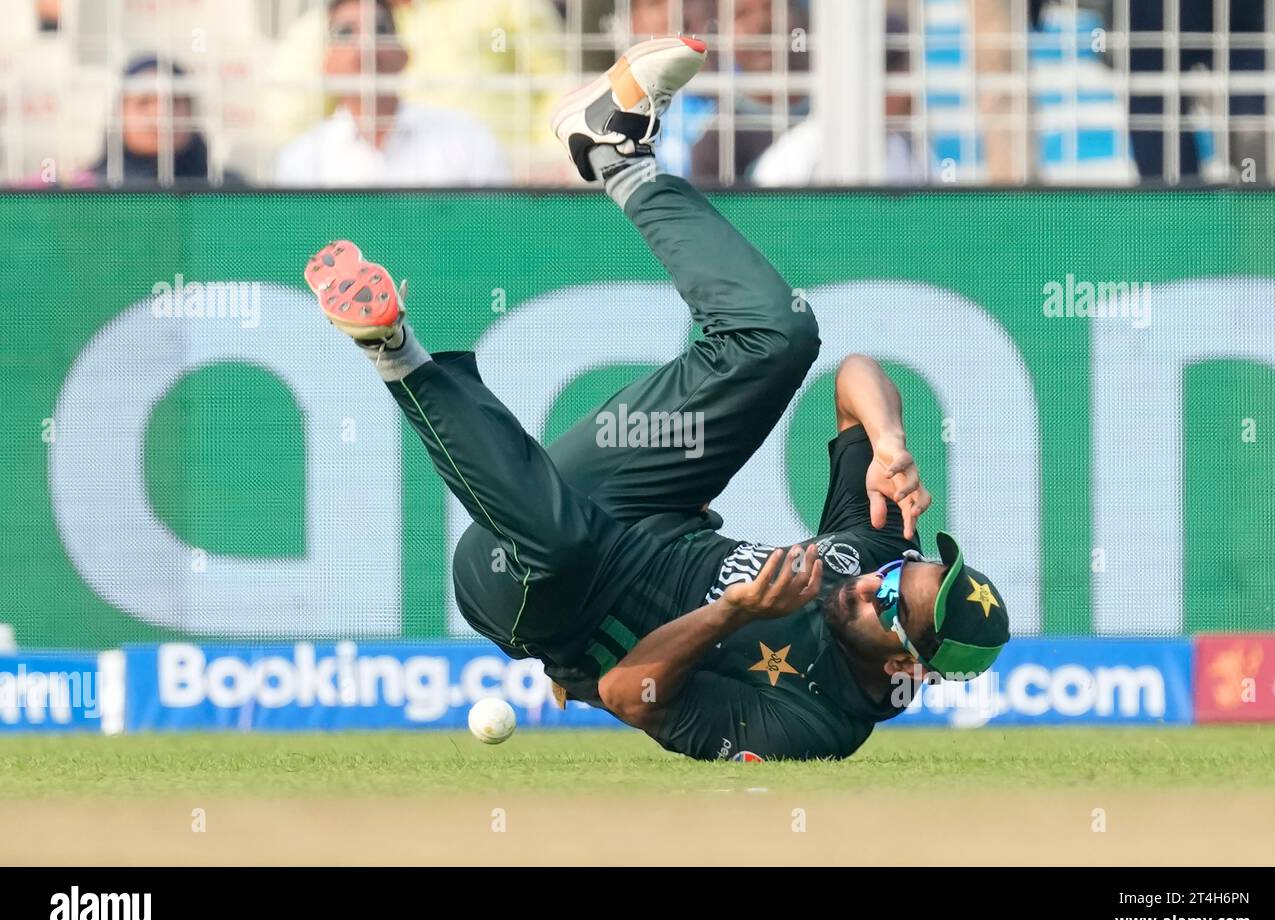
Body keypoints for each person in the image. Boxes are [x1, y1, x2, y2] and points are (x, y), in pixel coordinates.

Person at [304, 37, 1011, 761]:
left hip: (546, 598)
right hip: (643, 506)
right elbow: (858, 375)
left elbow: (630, 694)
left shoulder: (819, 722)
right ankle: (617, 151)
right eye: (895, 572)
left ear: (906, 665)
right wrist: (888, 439)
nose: (869, 583)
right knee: (779, 336)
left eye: (888, 603)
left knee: (560, 543)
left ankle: (393, 348)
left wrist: (728, 612)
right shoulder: (877, 559)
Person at [274, 0, 508, 186]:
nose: (366, 45)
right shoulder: (302, 159)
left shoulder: (466, 140)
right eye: (345, 33)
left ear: (404, 54)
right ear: (326, 62)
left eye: (380, 29)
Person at [80, 54, 226, 187]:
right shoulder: (83, 192)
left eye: (174, 101)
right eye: (144, 102)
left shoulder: (229, 193)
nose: (161, 113)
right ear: (119, 114)